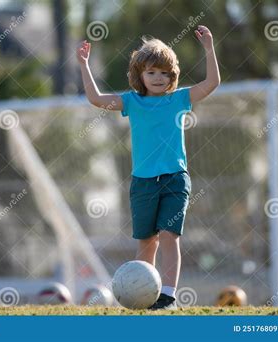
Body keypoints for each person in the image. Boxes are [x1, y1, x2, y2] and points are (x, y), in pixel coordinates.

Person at [77, 25, 220, 309]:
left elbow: (212, 83)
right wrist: (83, 65)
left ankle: (167, 297)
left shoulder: (180, 98)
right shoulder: (132, 101)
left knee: (169, 237)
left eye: (164, 72)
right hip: (142, 182)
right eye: (151, 72)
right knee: (147, 242)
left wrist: (209, 48)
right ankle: (143, 295)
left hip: (175, 180)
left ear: (172, 76)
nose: (158, 77)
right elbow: (96, 99)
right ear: (139, 75)